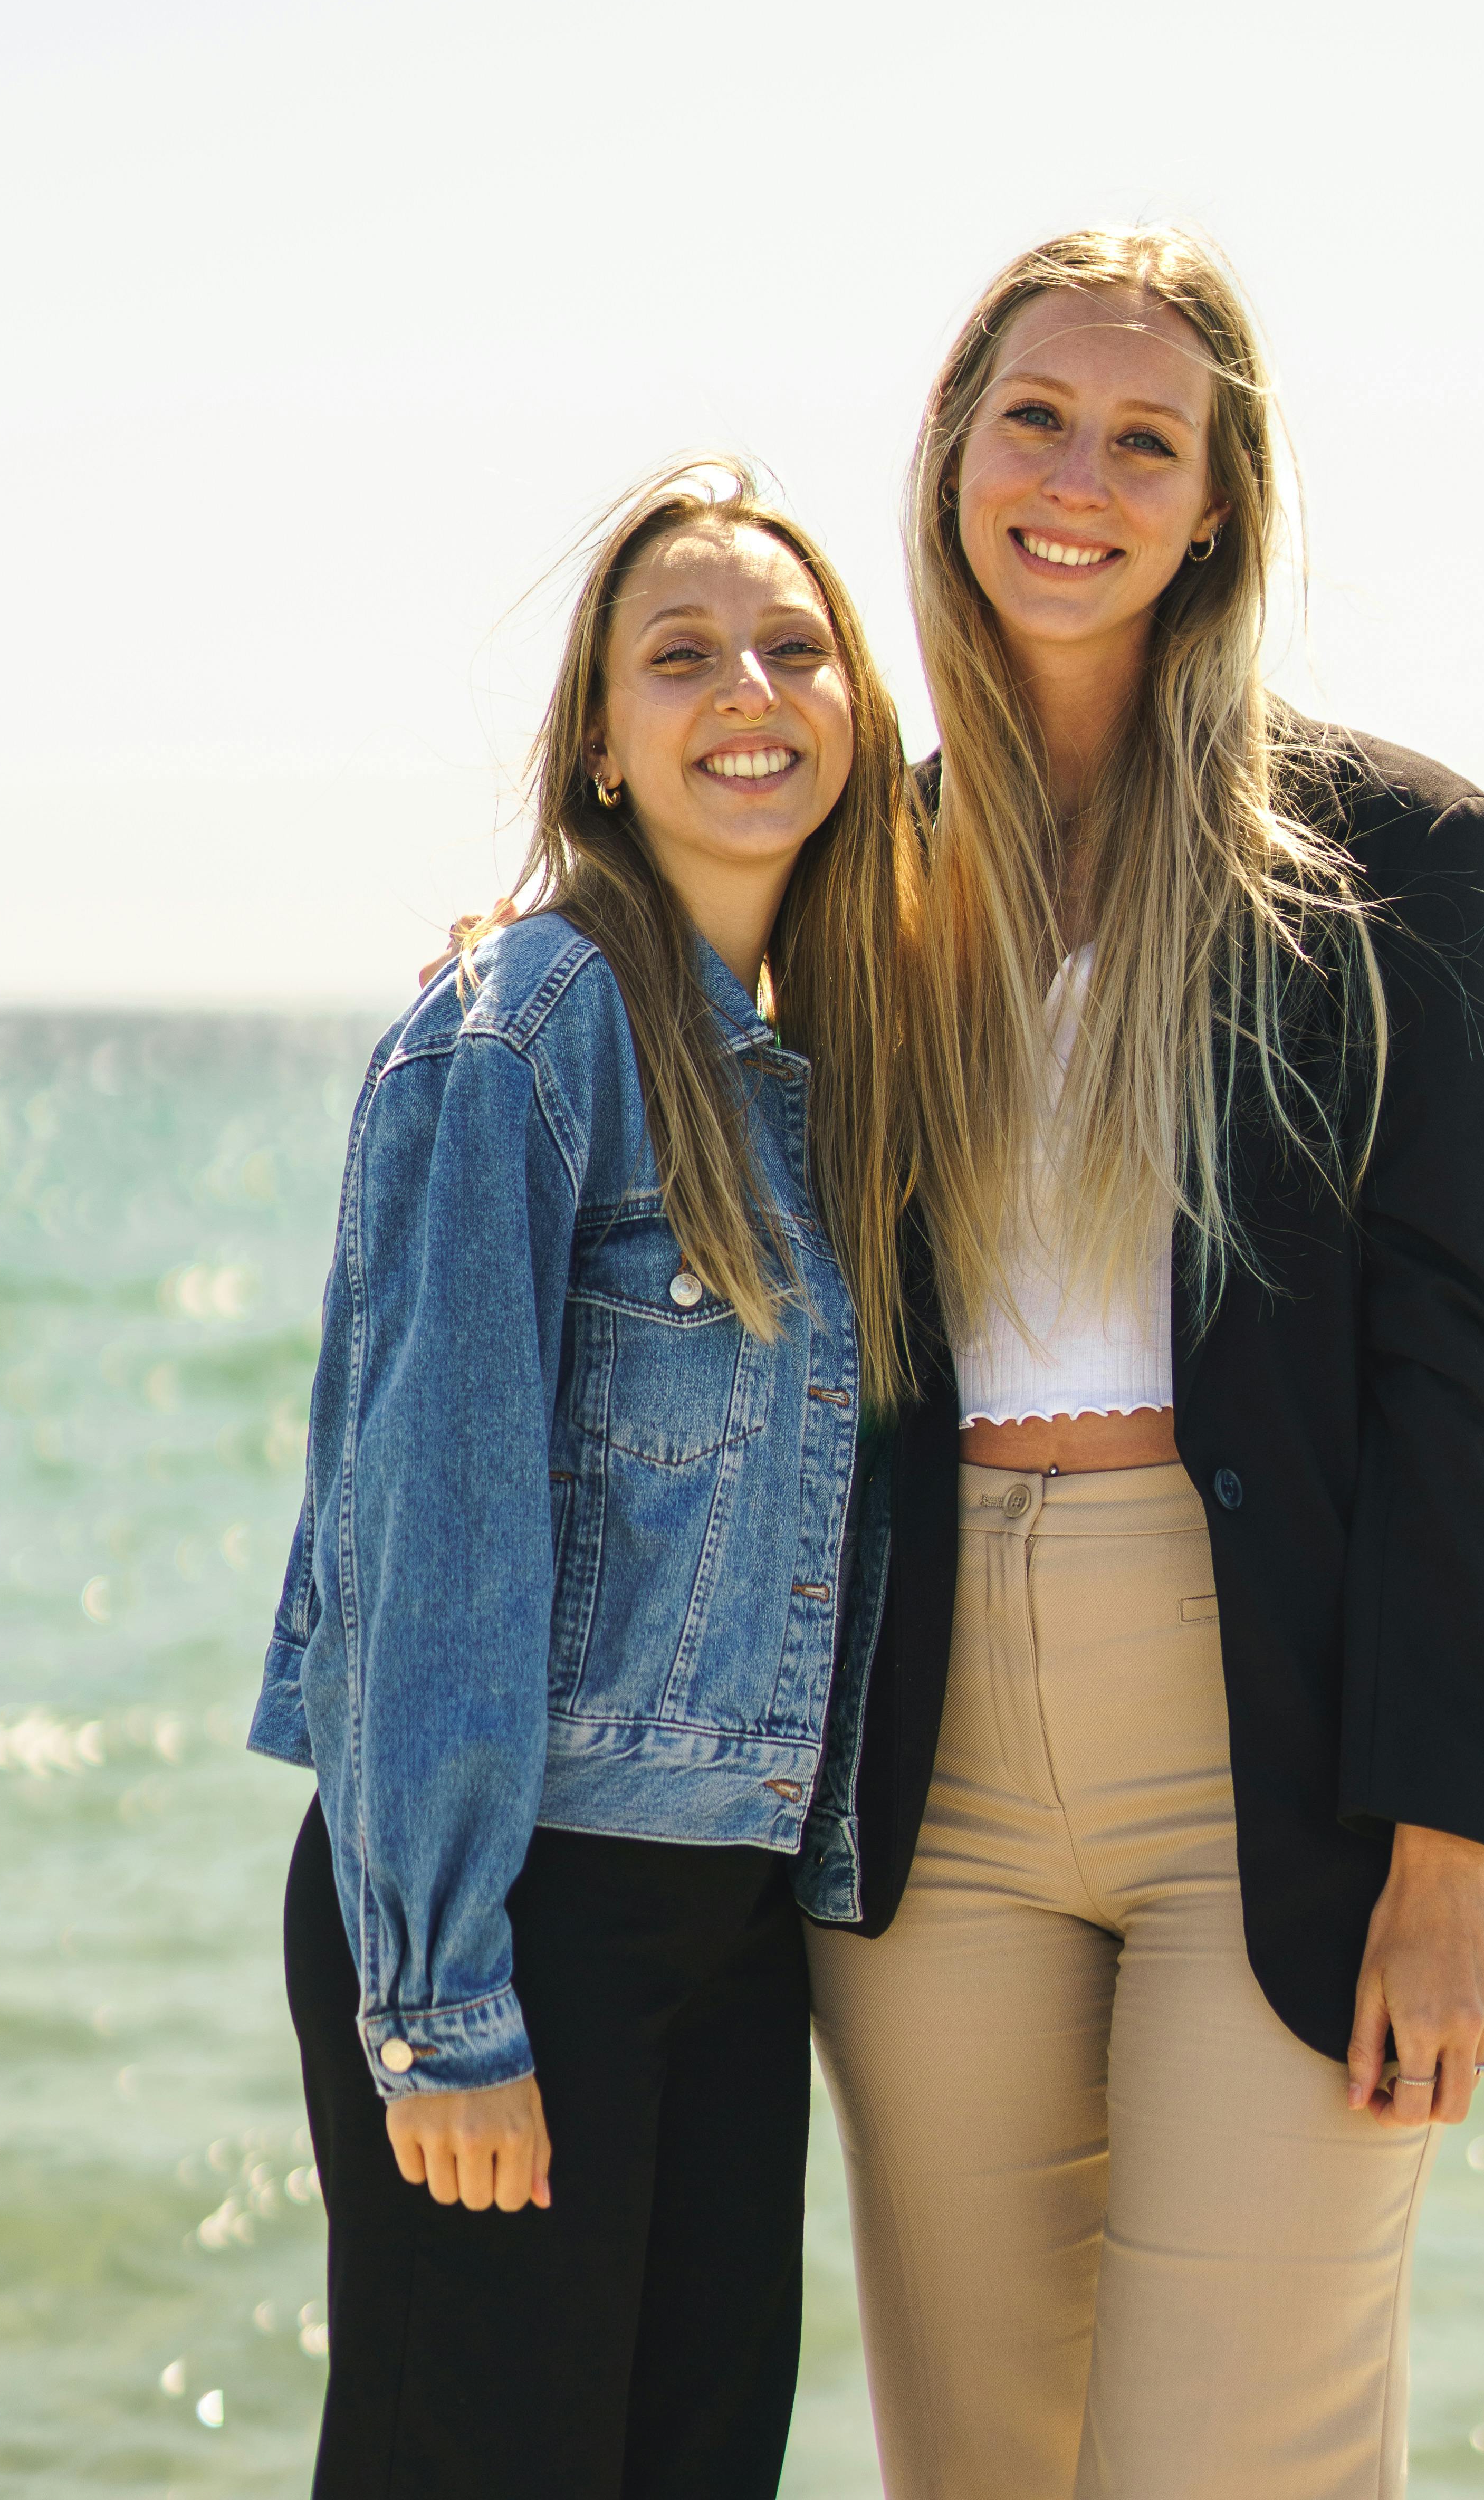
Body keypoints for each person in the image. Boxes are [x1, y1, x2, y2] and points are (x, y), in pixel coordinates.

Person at [806, 228, 1484, 2500]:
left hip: (1275, 1726)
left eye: (1144, 437)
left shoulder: (1401, 861)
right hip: (929, 1746)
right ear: (957, 451)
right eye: (1035, 418)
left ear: (1219, 502)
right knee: (979, 2462)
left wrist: (1448, 1838)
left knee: (1231, 2463)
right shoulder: (873, 864)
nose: (1080, 475)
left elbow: (1457, 1372)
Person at [247, 462, 918, 2500]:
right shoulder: (523, 1031)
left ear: (853, 716)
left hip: (729, 1920)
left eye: (794, 648)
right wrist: (443, 1996)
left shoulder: (821, 1076)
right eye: (682, 652)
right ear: (603, 745)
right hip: (520, 1903)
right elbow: (428, 1541)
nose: (748, 688)